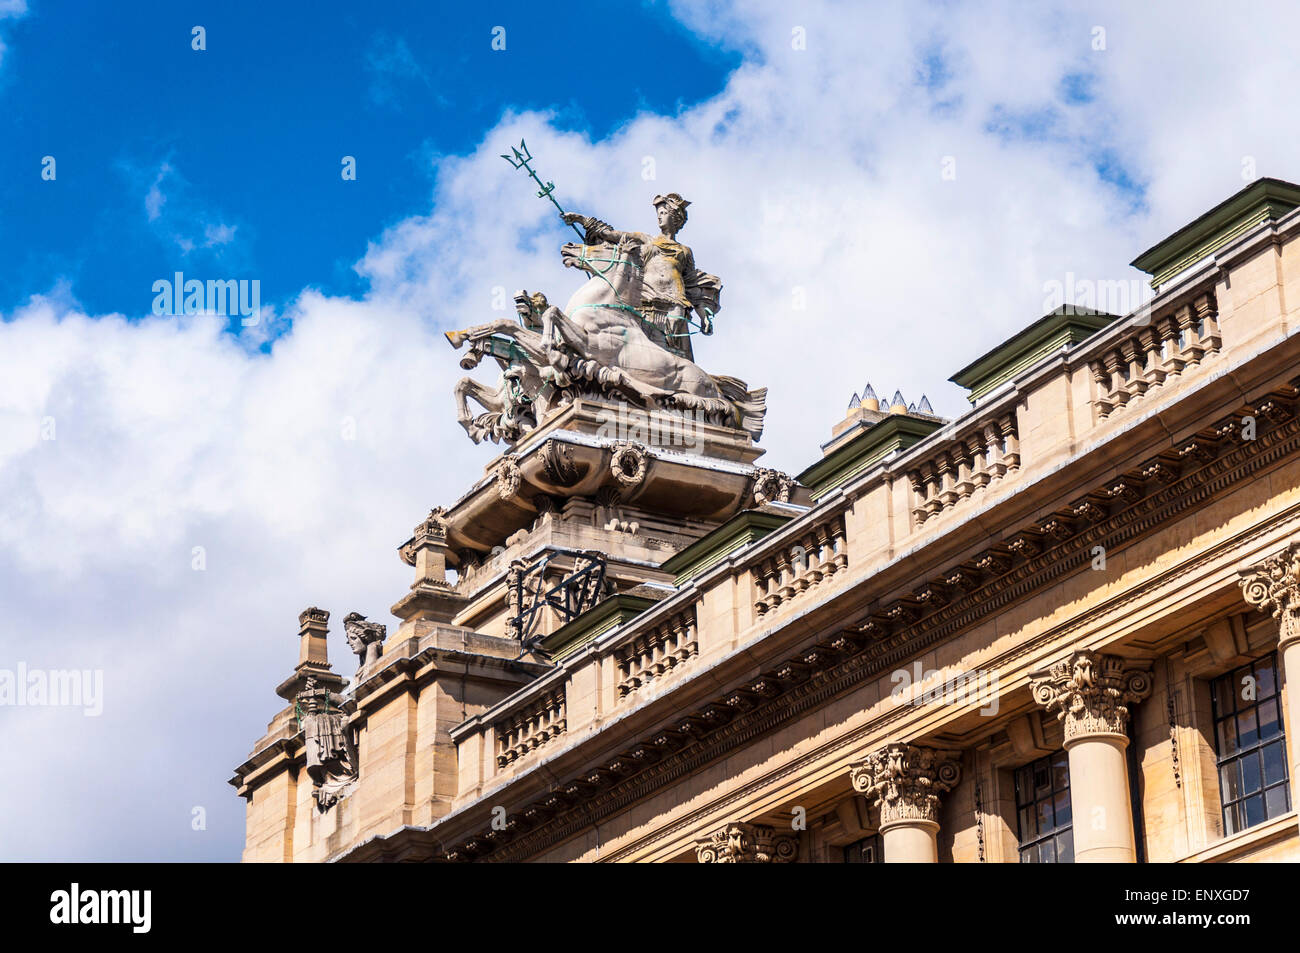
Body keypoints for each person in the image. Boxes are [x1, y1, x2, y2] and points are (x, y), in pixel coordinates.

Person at [562, 193, 721, 360]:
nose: (659, 217)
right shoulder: (645, 239)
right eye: (658, 213)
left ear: (675, 218)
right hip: (646, 302)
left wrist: (704, 317)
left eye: (664, 213)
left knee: (675, 354)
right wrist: (582, 220)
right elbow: (611, 234)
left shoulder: (685, 251)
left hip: (676, 304)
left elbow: (693, 285)